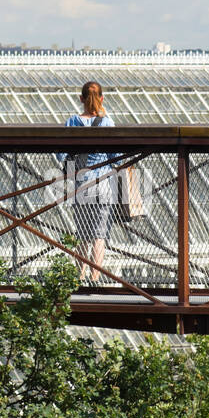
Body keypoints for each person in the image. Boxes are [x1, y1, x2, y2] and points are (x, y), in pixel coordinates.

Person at [57, 81, 118, 285]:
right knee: (99, 237)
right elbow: (116, 157)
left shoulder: (71, 122)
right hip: (103, 184)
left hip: (81, 184)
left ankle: (79, 278)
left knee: (83, 235)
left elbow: (61, 154)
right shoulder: (107, 123)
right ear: (101, 98)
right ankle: (95, 278)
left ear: (81, 99)